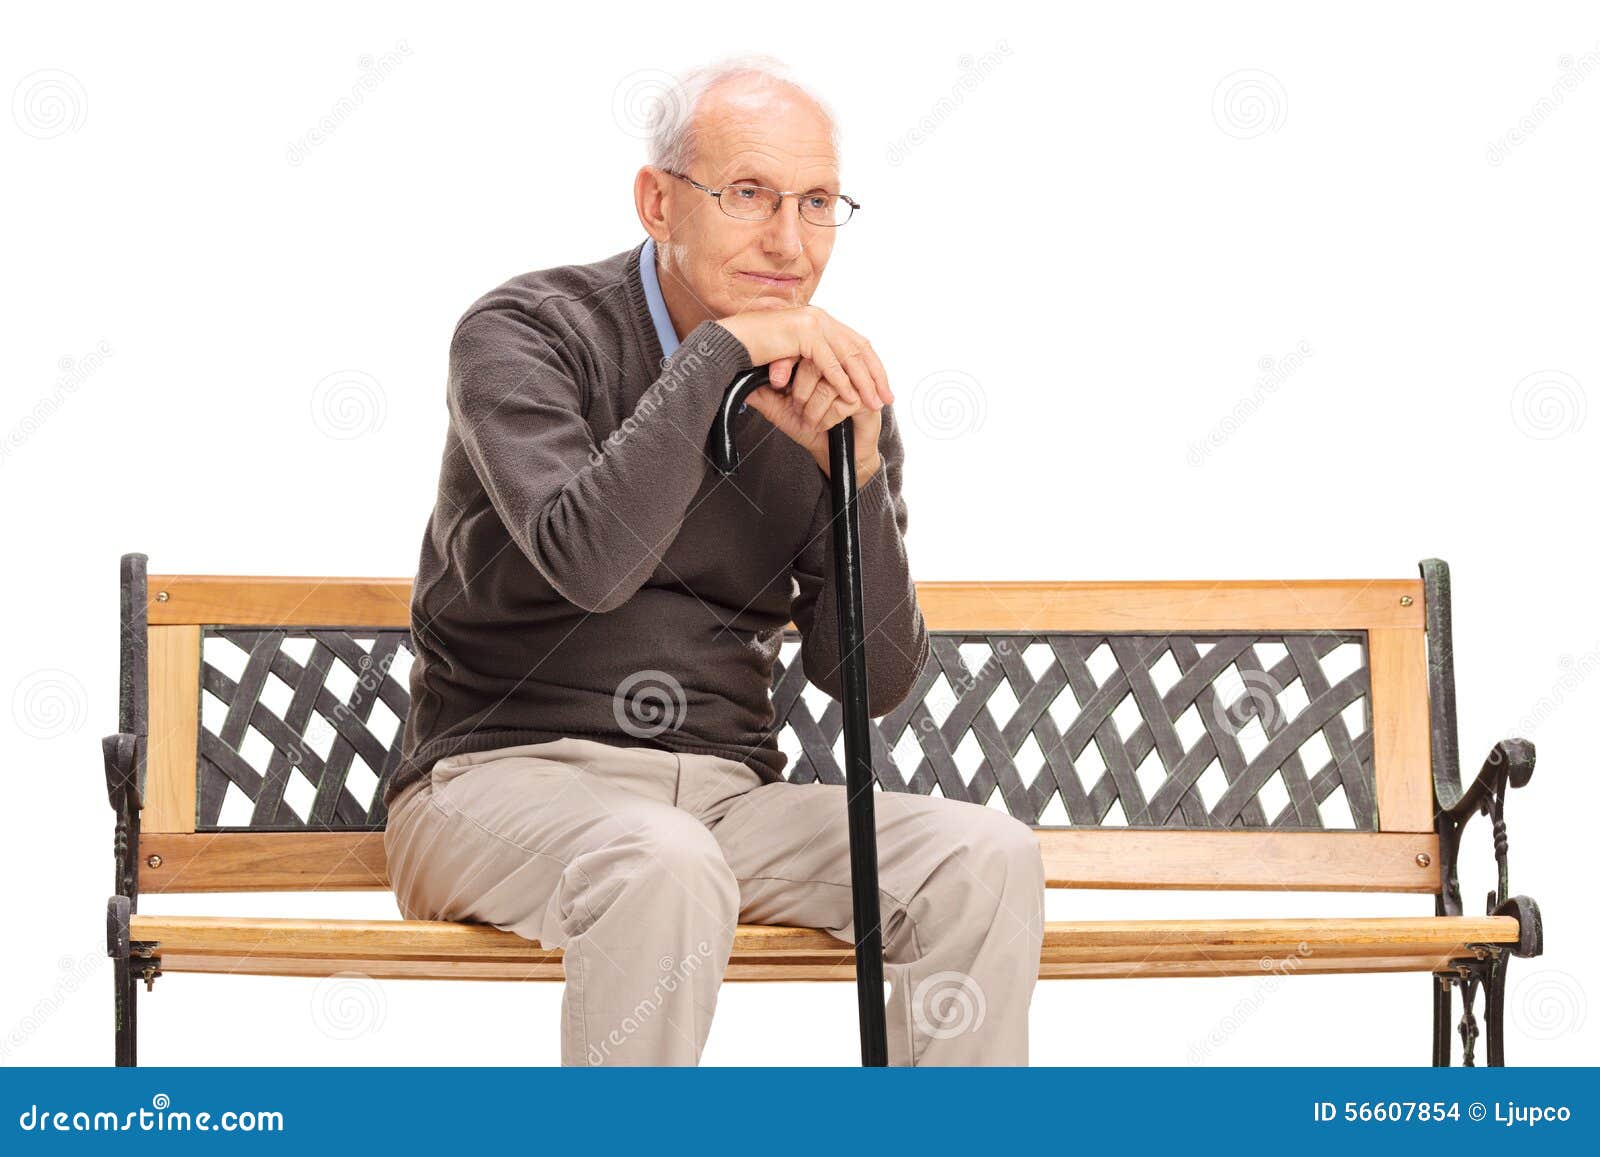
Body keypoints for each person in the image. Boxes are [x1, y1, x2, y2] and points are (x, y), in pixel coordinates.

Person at [382, 53, 1045, 1066]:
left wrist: (857, 471)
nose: (788, 240)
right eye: (747, 194)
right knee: (661, 860)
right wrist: (718, 358)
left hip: (728, 799)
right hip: (492, 781)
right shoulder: (526, 333)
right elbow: (589, 559)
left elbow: (869, 679)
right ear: (658, 201)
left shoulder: (830, 391)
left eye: (817, 202)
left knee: (982, 855)